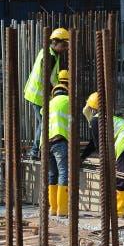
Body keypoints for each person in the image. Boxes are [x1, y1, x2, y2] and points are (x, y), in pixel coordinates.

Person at [81, 92, 124, 217]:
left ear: (92, 108)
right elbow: (93, 143)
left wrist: (105, 163)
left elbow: (99, 146)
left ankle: (119, 211)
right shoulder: (108, 118)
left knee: (121, 178)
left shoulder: (95, 120)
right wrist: (82, 157)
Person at [23, 28, 69, 158]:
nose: (66, 48)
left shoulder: (50, 53)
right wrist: (54, 96)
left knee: (42, 123)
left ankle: (38, 149)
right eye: (64, 44)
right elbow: (46, 79)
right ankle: (35, 151)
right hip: (38, 96)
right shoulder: (49, 57)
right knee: (45, 123)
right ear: (55, 42)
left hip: (38, 94)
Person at [44, 84, 70, 216]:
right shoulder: (68, 101)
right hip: (60, 141)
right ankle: (63, 209)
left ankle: (53, 209)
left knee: (52, 174)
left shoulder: (48, 104)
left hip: (46, 143)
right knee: (64, 173)